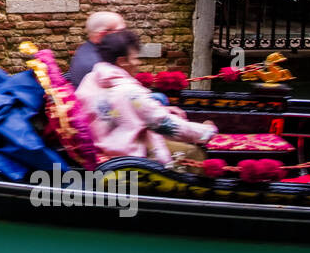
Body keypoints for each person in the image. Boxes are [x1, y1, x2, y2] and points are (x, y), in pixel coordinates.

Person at [75, 29, 216, 166]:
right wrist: (207, 132)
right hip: (128, 157)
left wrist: (162, 109)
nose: (138, 63)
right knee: (195, 153)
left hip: (101, 147)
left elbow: (126, 110)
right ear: (122, 61)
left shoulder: (90, 79)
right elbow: (167, 126)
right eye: (135, 58)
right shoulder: (130, 92)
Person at [66, 11, 126, 86]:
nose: (126, 35)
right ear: (103, 34)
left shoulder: (84, 48)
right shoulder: (99, 66)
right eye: (121, 31)